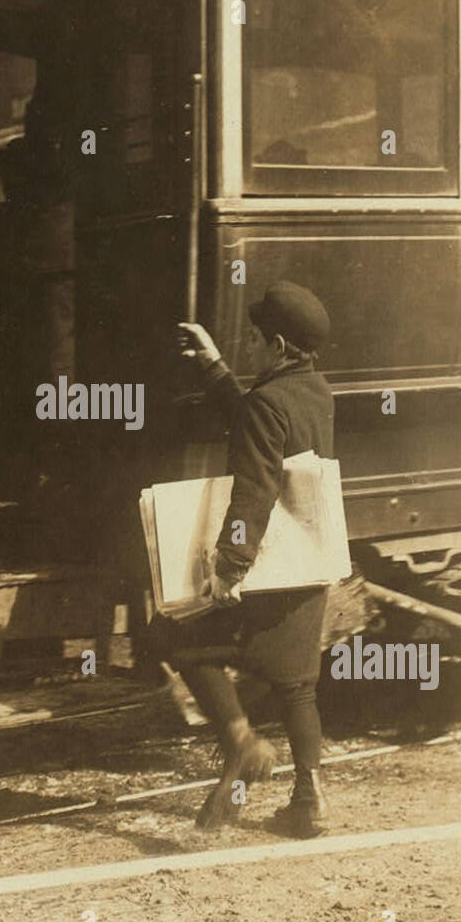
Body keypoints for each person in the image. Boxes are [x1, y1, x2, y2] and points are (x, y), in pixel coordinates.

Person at [175, 281, 335, 836]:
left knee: (176, 637)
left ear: (281, 346)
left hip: (268, 566)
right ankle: (309, 801)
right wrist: (216, 368)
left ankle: (241, 742)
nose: (253, 344)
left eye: (259, 338)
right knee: (297, 685)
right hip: (309, 561)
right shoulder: (314, 391)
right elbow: (259, 423)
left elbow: (256, 485)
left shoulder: (270, 401)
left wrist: (229, 567)